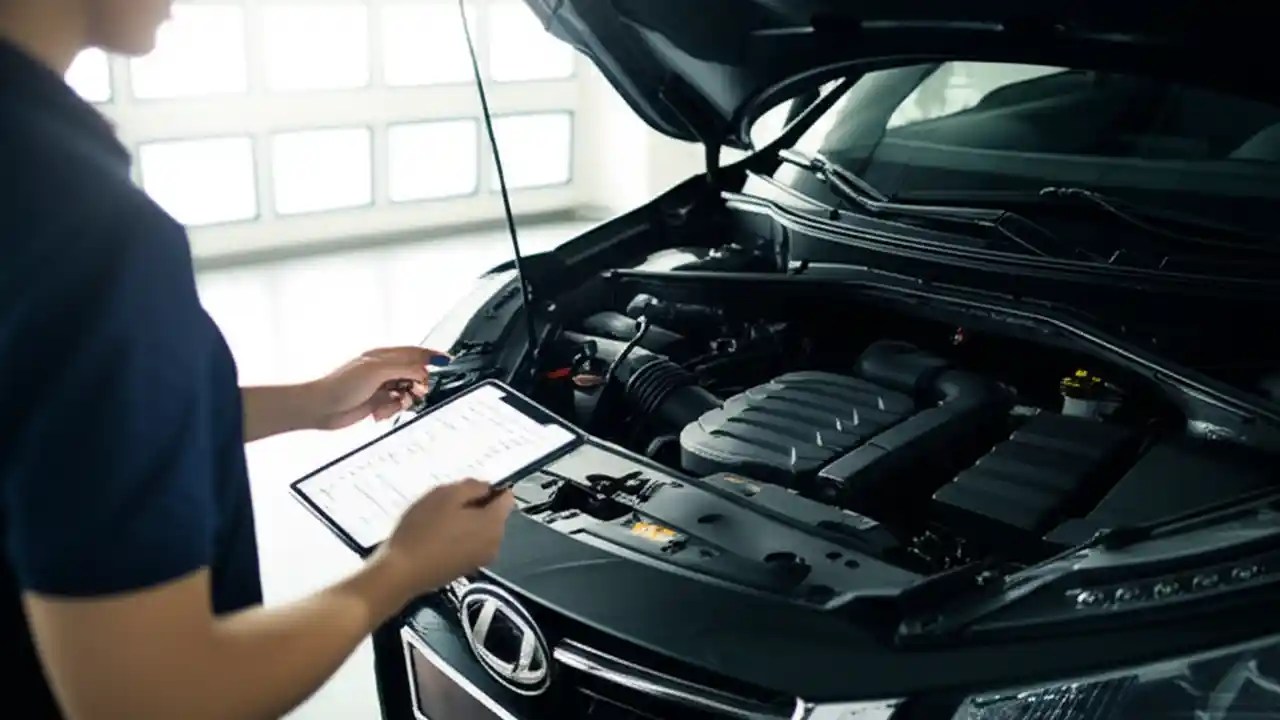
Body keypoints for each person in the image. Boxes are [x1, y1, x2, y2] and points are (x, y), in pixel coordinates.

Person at [0, 1, 516, 718]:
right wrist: (402, 570)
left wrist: (310, 402)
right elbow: (151, 702)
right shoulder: (90, 234)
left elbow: (51, 432)